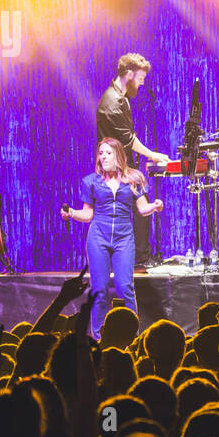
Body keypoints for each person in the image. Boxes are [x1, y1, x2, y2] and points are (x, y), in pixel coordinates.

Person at [63, 138, 164, 339]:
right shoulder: (91, 181)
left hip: (123, 238)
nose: (103, 157)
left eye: (108, 153)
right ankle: (99, 337)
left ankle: (132, 336)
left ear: (118, 155)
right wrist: (72, 213)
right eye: (101, 153)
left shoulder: (134, 178)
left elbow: (143, 209)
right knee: (99, 289)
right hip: (98, 238)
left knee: (124, 286)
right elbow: (88, 214)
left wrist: (155, 206)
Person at [96, 53, 171, 269]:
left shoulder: (121, 97)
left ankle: (141, 257)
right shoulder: (112, 102)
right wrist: (154, 155)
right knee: (136, 211)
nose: (142, 83)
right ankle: (138, 259)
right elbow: (128, 140)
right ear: (129, 74)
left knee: (142, 209)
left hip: (124, 166)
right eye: (140, 78)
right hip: (115, 169)